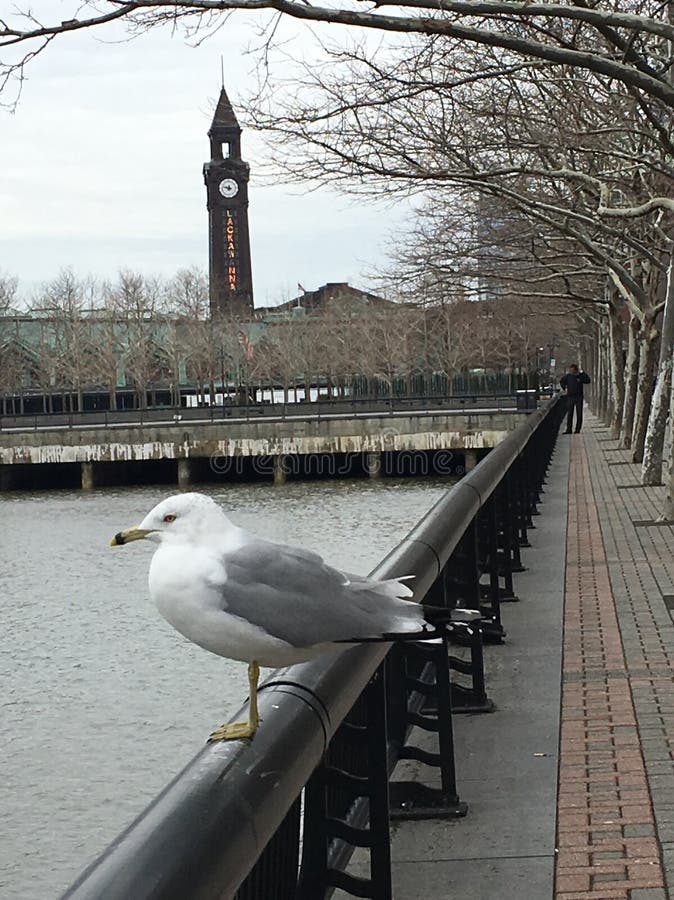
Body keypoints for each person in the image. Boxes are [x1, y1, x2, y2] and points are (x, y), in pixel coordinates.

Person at [560, 364, 591, 433]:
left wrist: (583, 373)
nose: (572, 371)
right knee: (570, 414)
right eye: (571, 370)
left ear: (576, 370)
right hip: (570, 397)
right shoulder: (568, 376)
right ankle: (569, 429)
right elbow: (562, 381)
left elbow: (588, 380)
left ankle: (577, 429)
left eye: (573, 370)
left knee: (579, 414)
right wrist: (564, 388)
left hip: (579, 397)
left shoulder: (580, 376)